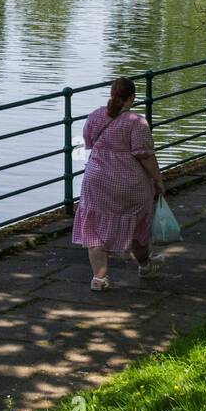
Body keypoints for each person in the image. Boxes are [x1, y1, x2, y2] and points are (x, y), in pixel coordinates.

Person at [72, 76, 166, 290]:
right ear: (131, 98)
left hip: (96, 180)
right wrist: (158, 180)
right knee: (136, 225)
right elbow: (145, 155)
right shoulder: (137, 123)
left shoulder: (95, 116)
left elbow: (89, 142)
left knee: (94, 228)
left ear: (112, 94)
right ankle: (145, 265)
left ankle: (99, 278)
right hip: (129, 182)